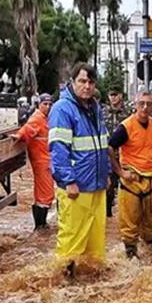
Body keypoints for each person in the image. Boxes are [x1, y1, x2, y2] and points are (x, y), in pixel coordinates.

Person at [49, 63, 110, 269]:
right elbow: (58, 150)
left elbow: (102, 144)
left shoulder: (95, 107)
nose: (87, 86)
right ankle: (65, 284)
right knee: (71, 241)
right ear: (72, 82)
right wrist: (68, 181)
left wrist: (106, 173)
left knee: (95, 243)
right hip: (76, 187)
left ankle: (91, 288)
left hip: (97, 185)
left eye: (91, 82)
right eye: (82, 81)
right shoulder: (62, 109)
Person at [109, 90, 152, 258]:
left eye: (149, 104)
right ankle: (130, 258)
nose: (145, 108)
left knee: (151, 221)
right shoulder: (126, 126)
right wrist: (120, 172)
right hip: (131, 180)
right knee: (129, 223)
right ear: (135, 105)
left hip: (150, 180)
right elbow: (110, 148)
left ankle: (151, 255)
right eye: (142, 104)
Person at [10, 92, 53, 230]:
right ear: (39, 105)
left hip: (45, 161)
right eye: (45, 104)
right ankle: (40, 225)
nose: (48, 107)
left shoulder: (45, 118)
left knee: (45, 193)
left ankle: (42, 225)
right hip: (41, 161)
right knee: (44, 193)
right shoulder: (38, 117)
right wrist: (18, 136)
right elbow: (27, 129)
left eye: (49, 104)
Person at [102, 88, 131, 218]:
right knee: (108, 185)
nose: (113, 98)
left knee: (128, 185)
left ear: (121, 96)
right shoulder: (103, 113)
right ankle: (107, 212)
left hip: (125, 155)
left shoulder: (129, 113)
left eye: (115, 94)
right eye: (111, 95)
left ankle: (127, 213)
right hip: (108, 155)